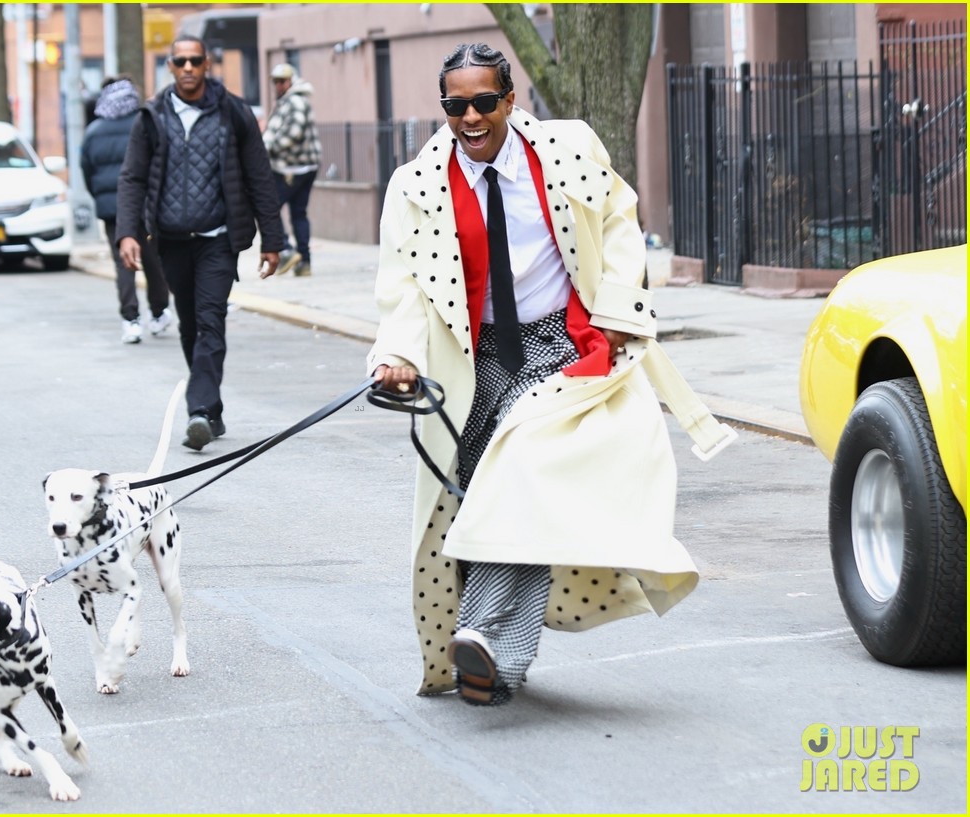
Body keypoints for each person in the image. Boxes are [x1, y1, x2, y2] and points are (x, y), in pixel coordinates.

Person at [368, 43, 733, 706]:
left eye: (484, 102)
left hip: (560, 344)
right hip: (472, 358)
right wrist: (398, 356)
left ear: (510, 99)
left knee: (523, 467)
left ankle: (480, 633)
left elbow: (618, 220)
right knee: (485, 498)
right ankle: (494, 667)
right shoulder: (415, 186)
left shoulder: (567, 150)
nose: (470, 117)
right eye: (455, 105)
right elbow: (404, 289)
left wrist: (619, 307)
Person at [116, 36, 285, 451]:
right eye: (180, 61)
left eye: (195, 60)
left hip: (218, 239)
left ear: (207, 63)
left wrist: (272, 238)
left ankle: (199, 411)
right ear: (170, 66)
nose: (188, 67)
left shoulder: (234, 112)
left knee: (210, 320)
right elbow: (133, 178)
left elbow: (259, 176)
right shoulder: (152, 115)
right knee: (190, 325)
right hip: (171, 241)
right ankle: (212, 409)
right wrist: (127, 232)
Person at [80, 75, 175, 344]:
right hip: (146, 205)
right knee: (153, 260)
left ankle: (130, 319)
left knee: (123, 263)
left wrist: (102, 198)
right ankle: (158, 312)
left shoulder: (94, 131)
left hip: (112, 210)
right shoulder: (145, 123)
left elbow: (87, 170)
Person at [263, 63, 321, 277]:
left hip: (292, 167)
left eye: (282, 81)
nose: (278, 85)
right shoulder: (291, 100)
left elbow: (293, 132)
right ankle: (304, 262)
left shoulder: (294, 101)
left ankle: (286, 250)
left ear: (291, 80)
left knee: (269, 207)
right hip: (302, 166)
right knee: (299, 213)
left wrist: (268, 147)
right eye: (276, 82)